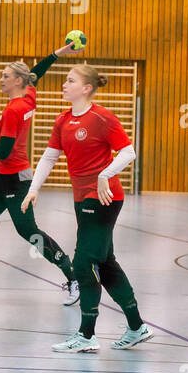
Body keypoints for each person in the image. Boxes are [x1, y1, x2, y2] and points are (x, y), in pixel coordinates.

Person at [22, 64, 150, 352]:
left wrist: (105, 174)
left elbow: (128, 151)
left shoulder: (102, 117)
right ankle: (136, 326)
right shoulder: (63, 120)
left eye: (70, 80)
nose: (64, 84)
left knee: (82, 262)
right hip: (82, 199)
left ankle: (87, 335)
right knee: (105, 263)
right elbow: (48, 158)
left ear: (87, 88)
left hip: (104, 198)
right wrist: (33, 189)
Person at [0, 43, 81, 303]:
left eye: (5, 76)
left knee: (29, 232)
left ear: (17, 81)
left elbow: (4, 152)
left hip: (17, 179)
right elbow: (36, 73)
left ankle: (73, 276)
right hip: (0, 178)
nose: (1, 79)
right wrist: (57, 54)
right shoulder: (28, 95)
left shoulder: (14, 110)